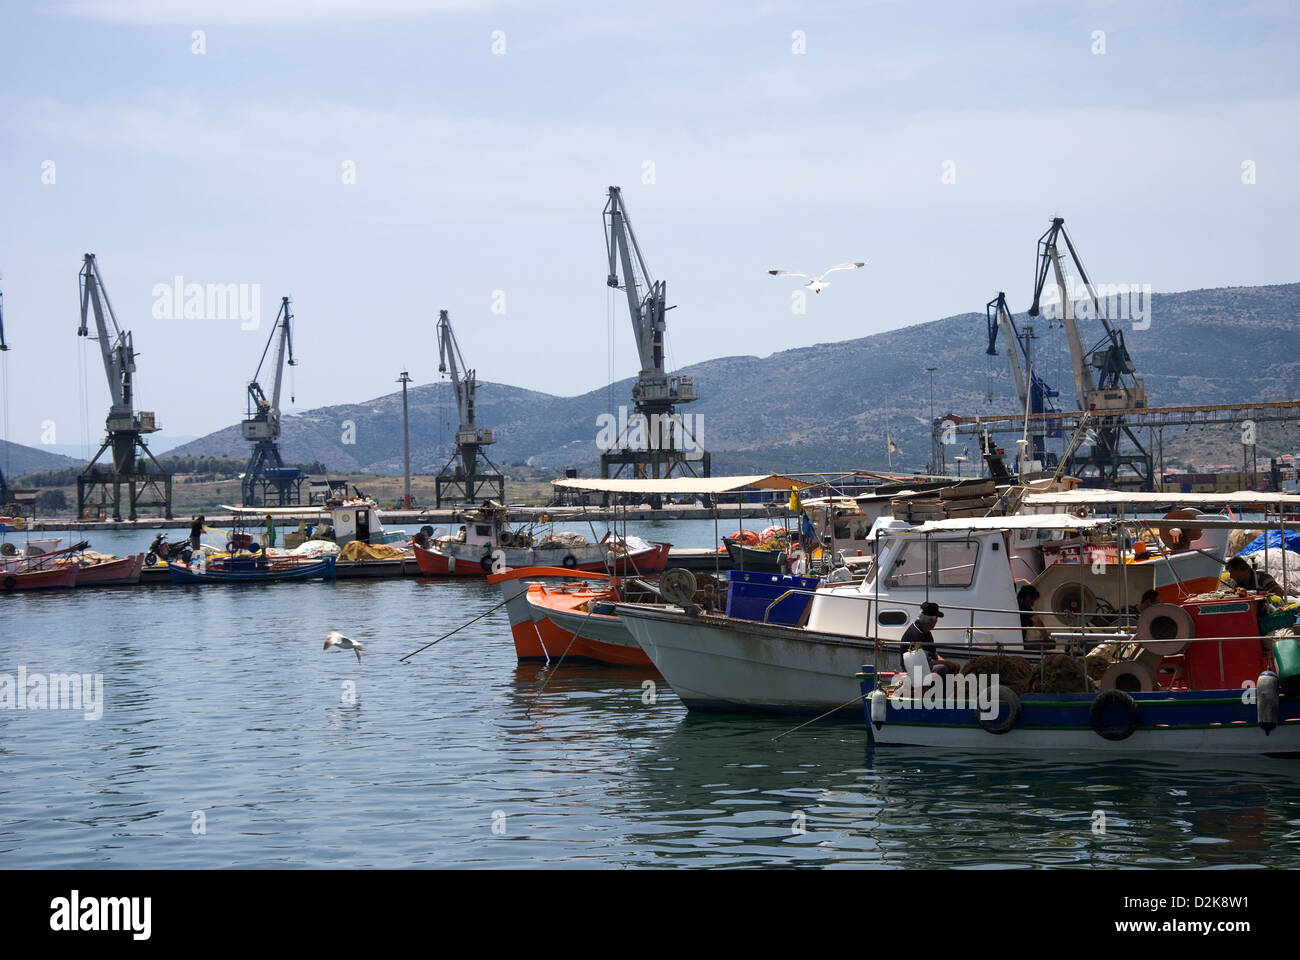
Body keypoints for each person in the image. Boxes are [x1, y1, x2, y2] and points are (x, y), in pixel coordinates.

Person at [900, 601, 955, 677]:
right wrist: (947, 663)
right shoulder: (916, 636)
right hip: (914, 668)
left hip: (923, 664)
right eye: (936, 618)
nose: (936, 621)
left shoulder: (926, 631)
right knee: (942, 669)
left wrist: (947, 662)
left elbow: (933, 654)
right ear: (931, 620)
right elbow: (919, 661)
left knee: (950, 667)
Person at [1017, 584, 1050, 650]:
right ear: (1028, 597)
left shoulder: (1017, 604)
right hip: (1018, 643)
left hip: (1018, 640)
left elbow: (1031, 623)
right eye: (1033, 600)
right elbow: (1036, 621)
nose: (1032, 604)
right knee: (1050, 645)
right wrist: (1047, 638)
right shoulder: (1022, 603)